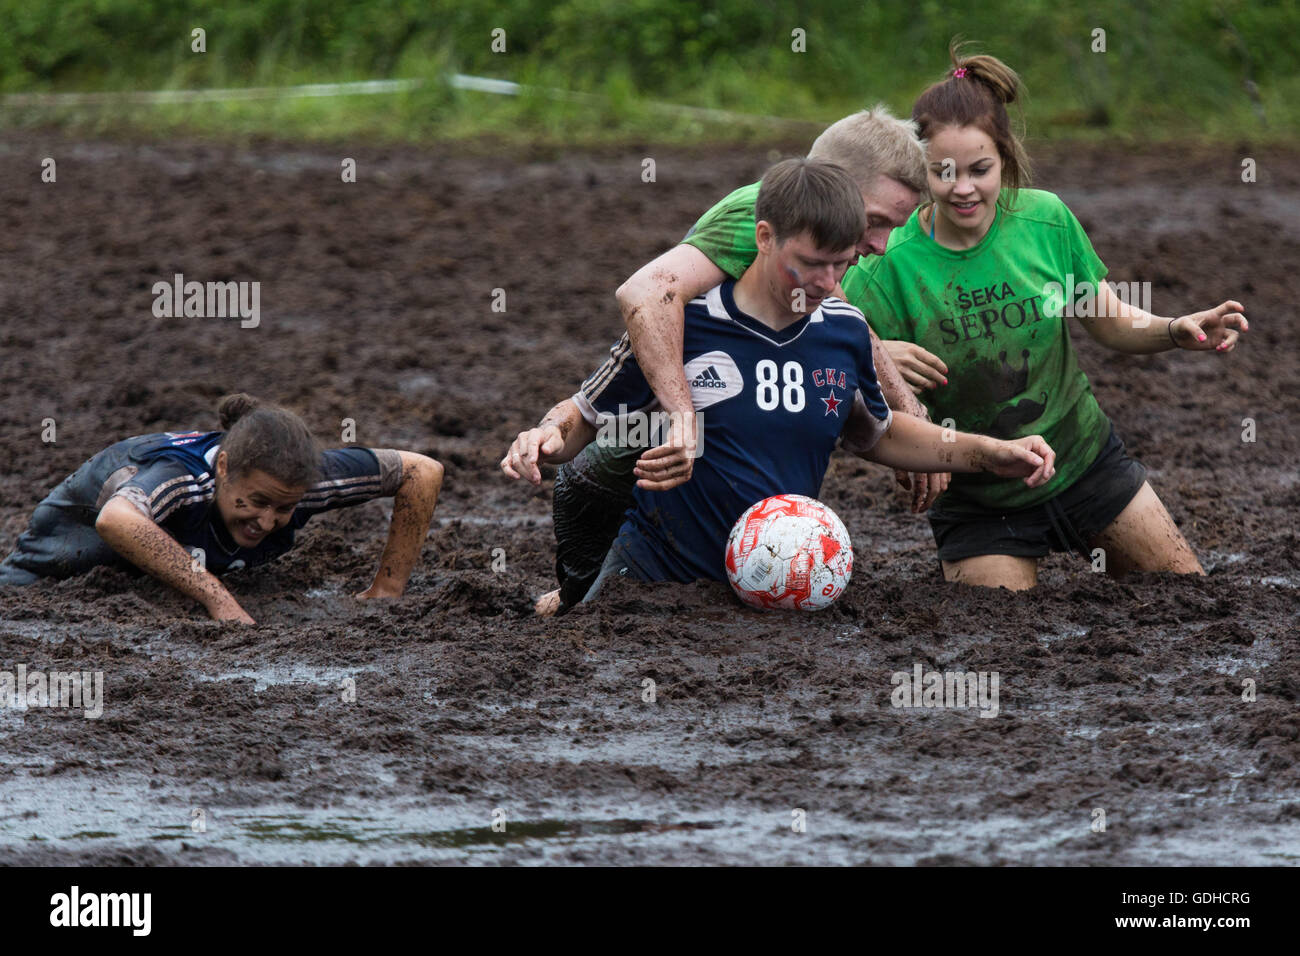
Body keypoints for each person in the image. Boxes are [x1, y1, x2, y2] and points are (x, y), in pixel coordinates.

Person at [503, 159, 1055, 600]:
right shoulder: (683, 325)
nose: (826, 281)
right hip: (653, 583)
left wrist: (992, 452)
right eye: (811, 263)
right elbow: (584, 415)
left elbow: (881, 435)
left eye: (842, 265)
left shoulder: (845, 332)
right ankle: (567, 598)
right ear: (764, 236)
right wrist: (544, 438)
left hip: (779, 591)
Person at [840, 43, 1248, 590]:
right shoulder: (883, 263)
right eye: (943, 172)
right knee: (998, 642)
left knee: (1188, 593)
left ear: (1004, 158)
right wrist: (875, 352)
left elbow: (1107, 320)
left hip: (1087, 465)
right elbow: (836, 365)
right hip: (979, 500)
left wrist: (1174, 331)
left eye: (980, 169)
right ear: (921, 171)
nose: (963, 188)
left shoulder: (1047, 221)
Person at [533, 106, 949, 615]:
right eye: (878, 221)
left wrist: (906, 406)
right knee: (592, 478)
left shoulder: (822, 238)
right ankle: (579, 597)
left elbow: (846, 312)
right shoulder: (757, 212)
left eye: (894, 228)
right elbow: (648, 290)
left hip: (740, 382)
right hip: (693, 375)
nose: (881, 245)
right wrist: (682, 416)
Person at [0, 393, 443, 623]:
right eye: (257, 502)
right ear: (225, 469)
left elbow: (421, 471)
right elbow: (116, 520)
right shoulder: (180, 475)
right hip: (46, 579)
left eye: (284, 508)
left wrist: (388, 588)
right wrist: (219, 601)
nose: (267, 521)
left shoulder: (301, 479)